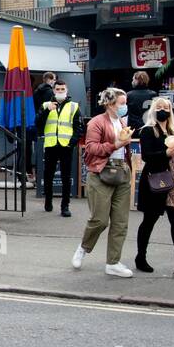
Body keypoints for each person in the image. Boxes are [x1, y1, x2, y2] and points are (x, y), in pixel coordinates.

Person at [134, 96, 174, 276]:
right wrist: (166, 153)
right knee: (149, 221)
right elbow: (147, 156)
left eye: (167, 107)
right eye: (160, 107)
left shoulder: (173, 131)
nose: (163, 110)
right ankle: (141, 257)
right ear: (154, 110)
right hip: (157, 182)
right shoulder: (148, 131)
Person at [73, 87, 133, 277]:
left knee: (120, 222)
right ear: (110, 104)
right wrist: (115, 145)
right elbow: (90, 148)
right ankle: (83, 247)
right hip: (101, 172)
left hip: (121, 171)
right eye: (122, 103)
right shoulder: (97, 122)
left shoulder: (122, 121)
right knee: (99, 220)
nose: (125, 107)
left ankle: (113, 263)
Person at [37, 78, 82, 217]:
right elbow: (38, 124)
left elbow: (79, 127)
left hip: (65, 145)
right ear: (54, 90)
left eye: (62, 89)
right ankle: (48, 201)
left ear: (66, 90)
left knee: (66, 176)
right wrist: (46, 111)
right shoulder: (46, 105)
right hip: (51, 144)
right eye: (58, 89)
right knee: (48, 175)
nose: (60, 91)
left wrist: (72, 142)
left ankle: (65, 206)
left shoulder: (74, 106)